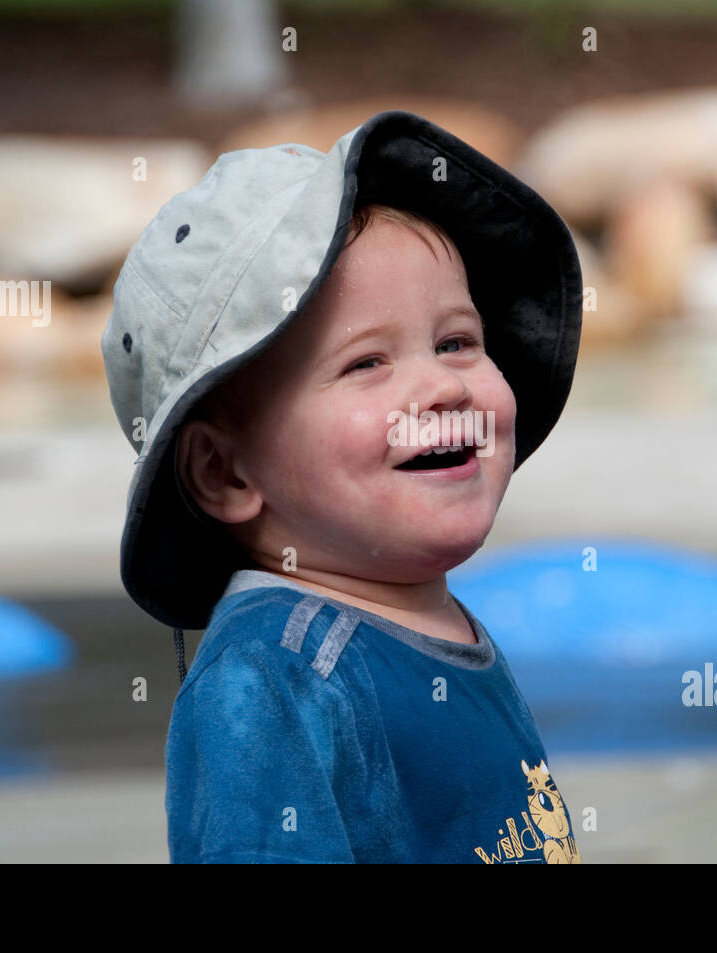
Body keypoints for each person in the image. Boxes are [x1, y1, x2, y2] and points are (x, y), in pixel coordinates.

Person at [101, 110, 583, 863]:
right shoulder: (273, 685)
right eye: (367, 363)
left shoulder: (427, 619)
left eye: (456, 341)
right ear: (225, 472)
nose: (441, 385)